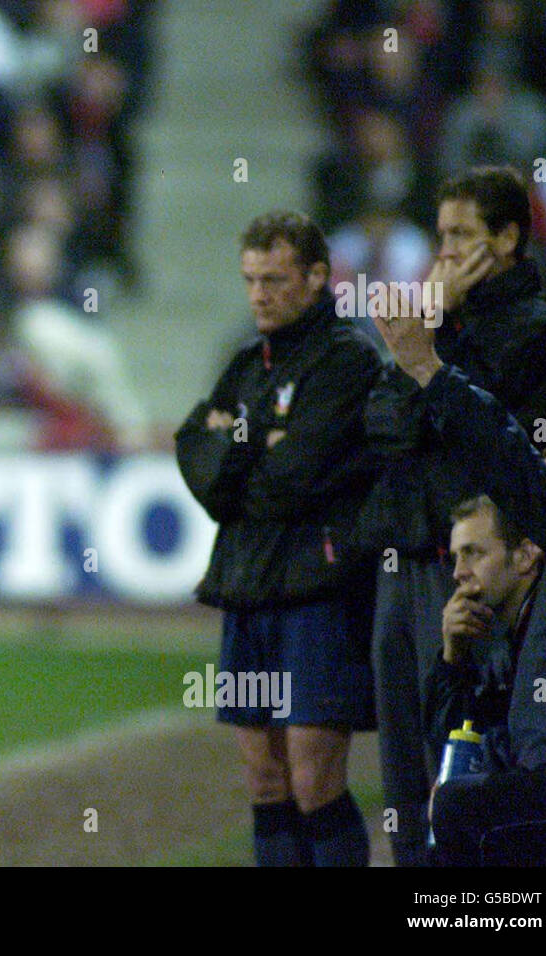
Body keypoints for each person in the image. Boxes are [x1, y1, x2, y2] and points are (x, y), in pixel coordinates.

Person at [357, 165, 546, 866]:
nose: (444, 253)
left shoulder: (538, 335)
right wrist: (429, 338)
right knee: (401, 754)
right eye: (440, 235)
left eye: (462, 235)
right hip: (406, 562)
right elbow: (384, 426)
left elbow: (500, 456)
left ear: (509, 238)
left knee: (465, 748)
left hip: (482, 567)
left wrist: (433, 348)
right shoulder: (435, 330)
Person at [176, 211, 383, 866]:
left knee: (314, 779)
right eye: (250, 280)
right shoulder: (246, 363)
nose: (259, 294)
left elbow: (291, 480)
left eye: (274, 279)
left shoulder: (348, 361)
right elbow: (198, 464)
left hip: (316, 591)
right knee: (264, 780)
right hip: (246, 586)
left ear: (317, 277)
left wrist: (233, 441)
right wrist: (252, 446)